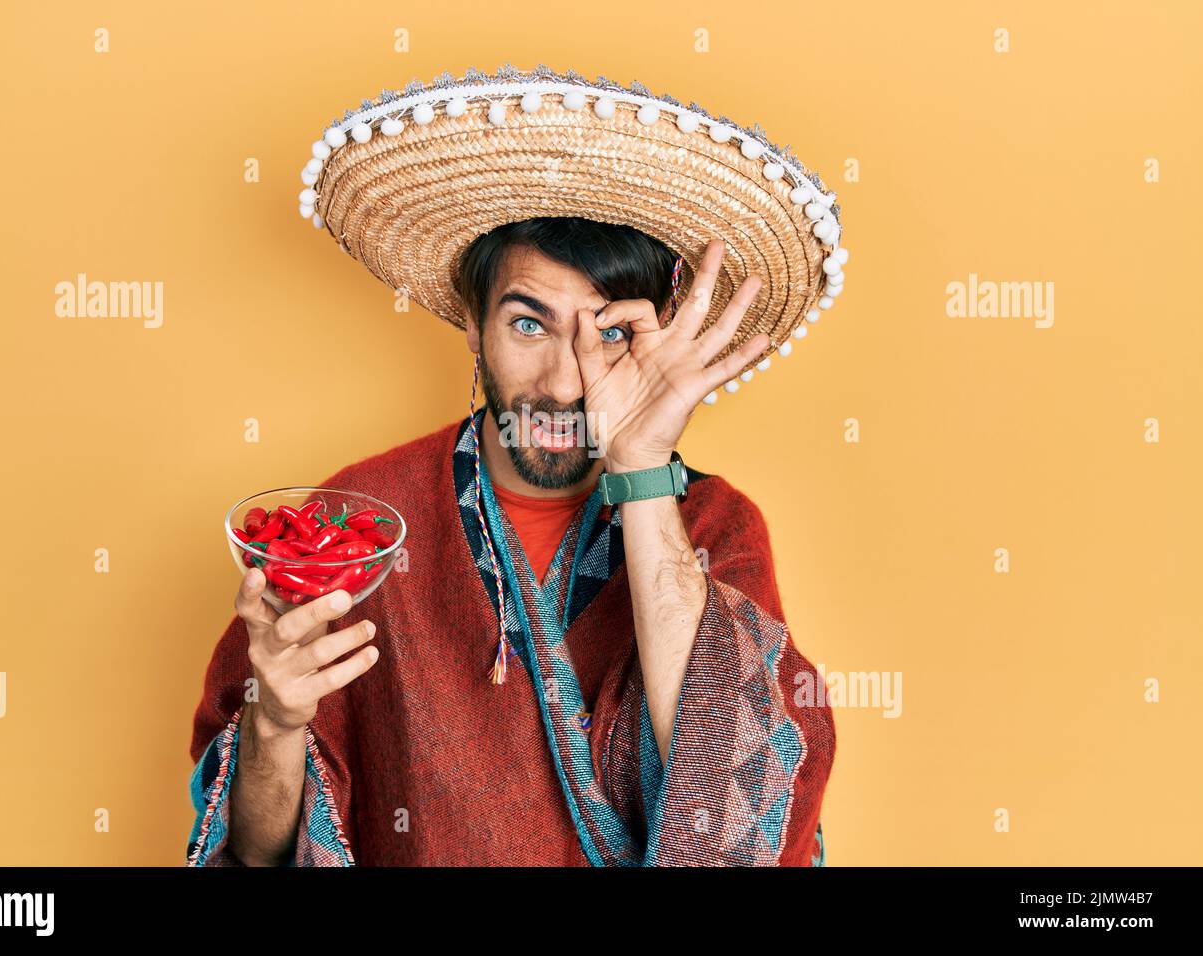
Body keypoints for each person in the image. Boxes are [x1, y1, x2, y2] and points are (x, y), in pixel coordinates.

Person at [188, 65, 847, 867]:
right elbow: (254, 854)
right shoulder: (357, 523)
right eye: (530, 325)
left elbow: (731, 807)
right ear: (473, 326)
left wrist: (639, 469)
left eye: (607, 333)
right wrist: (275, 723)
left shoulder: (712, 526)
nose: (566, 382)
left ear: (651, 337)